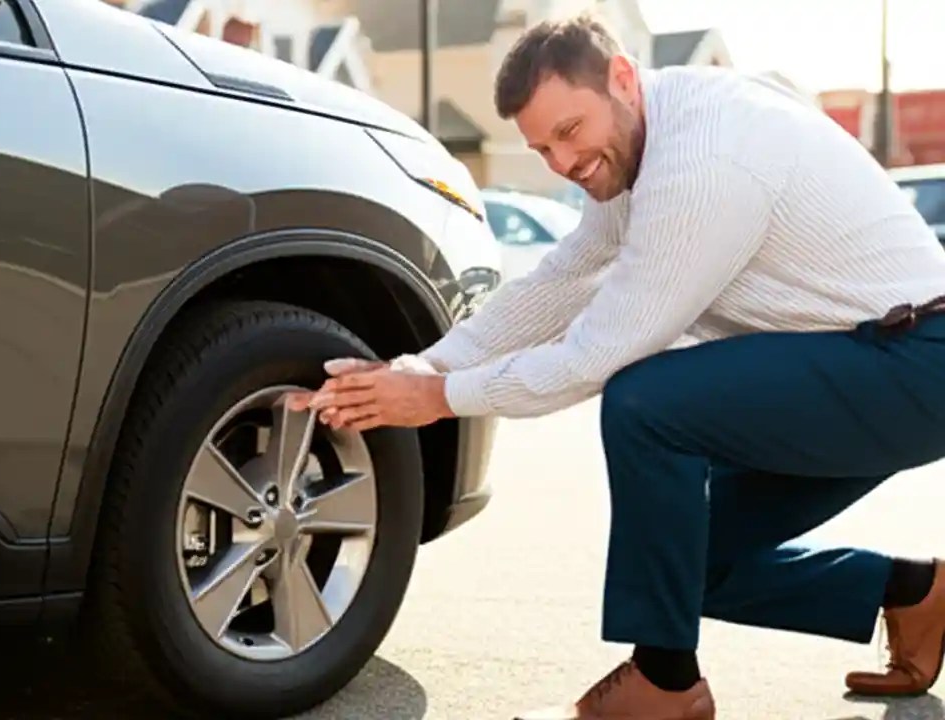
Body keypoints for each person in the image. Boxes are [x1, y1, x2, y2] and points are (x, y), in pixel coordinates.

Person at [286, 12, 945, 720]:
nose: (563, 165)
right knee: (675, 558)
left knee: (644, 401)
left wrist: (438, 397)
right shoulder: (642, 143)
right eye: (542, 149)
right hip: (862, 364)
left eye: (569, 133)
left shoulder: (705, 164)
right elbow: (558, 285)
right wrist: (416, 366)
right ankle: (914, 594)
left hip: (914, 363)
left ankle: (664, 684)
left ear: (622, 79)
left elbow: (596, 354)